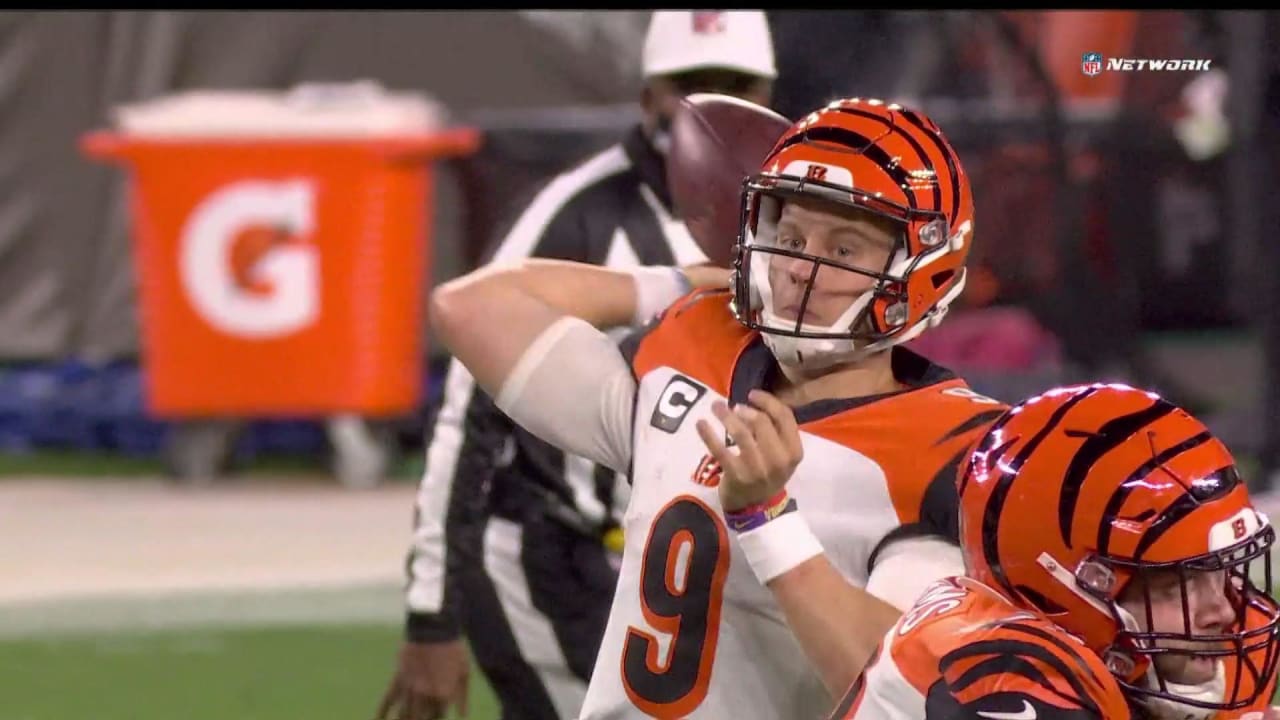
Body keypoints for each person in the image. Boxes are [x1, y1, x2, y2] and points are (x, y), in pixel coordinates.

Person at [430, 96, 1006, 718]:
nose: (797, 269)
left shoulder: (953, 448)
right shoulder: (698, 348)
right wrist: (676, 281)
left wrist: (769, 523)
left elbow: (901, 693)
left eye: (843, 250)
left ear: (926, 271)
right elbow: (471, 308)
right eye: (789, 236)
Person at [376, 11, 777, 720]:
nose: (709, 105)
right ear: (649, 94)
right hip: (552, 554)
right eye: (690, 84)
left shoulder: (787, 220)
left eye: (732, 85)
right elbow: (467, 418)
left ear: (768, 90)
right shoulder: (575, 216)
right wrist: (433, 614)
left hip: (682, 554)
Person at [828, 382, 1280, 720]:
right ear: (1065, 583)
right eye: (1170, 585)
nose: (1221, 611)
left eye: (1217, 573)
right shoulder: (1008, 668)